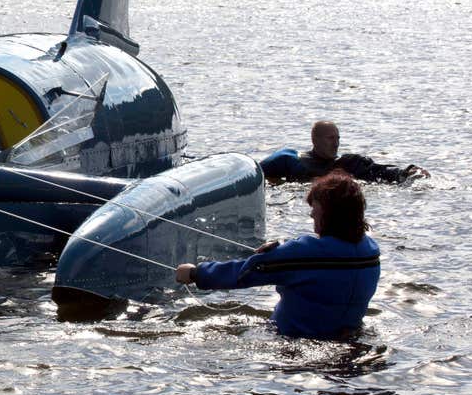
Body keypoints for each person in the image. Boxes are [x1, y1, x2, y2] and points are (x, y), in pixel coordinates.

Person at [175, 170, 380, 339]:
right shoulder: (370, 251)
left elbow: (245, 273)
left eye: (315, 209)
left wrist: (196, 274)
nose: (311, 214)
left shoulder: (304, 252)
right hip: (349, 338)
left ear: (331, 214)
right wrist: (279, 253)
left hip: (293, 342)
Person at [260, 120, 428, 184]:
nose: (336, 144)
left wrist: (407, 173)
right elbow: (255, 174)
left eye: (338, 138)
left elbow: (379, 171)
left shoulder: (348, 162)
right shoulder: (289, 159)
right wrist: (277, 182)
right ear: (315, 140)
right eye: (330, 138)